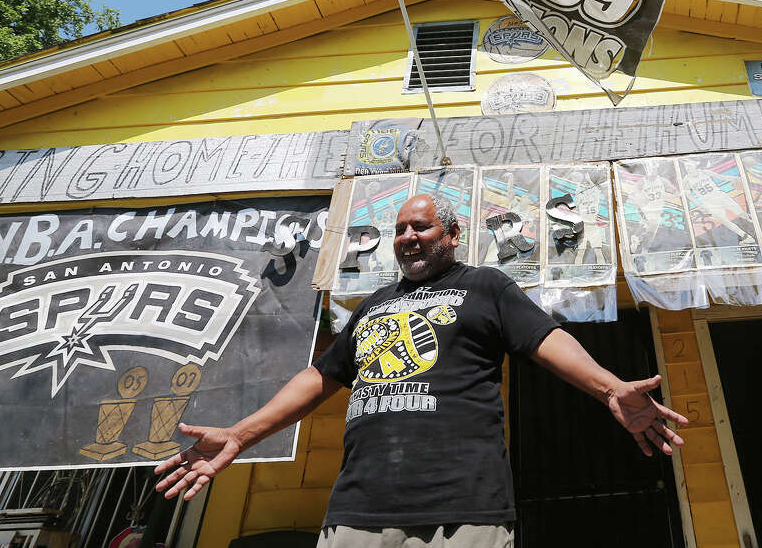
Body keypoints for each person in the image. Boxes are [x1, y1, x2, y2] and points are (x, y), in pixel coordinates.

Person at [154, 192, 687, 547]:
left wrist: (610, 388)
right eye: (400, 228)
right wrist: (239, 435)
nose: (408, 235)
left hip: (463, 510)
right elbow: (320, 377)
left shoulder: (485, 286)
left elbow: (546, 337)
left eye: (422, 226)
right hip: (358, 511)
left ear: (452, 236)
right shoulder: (371, 305)